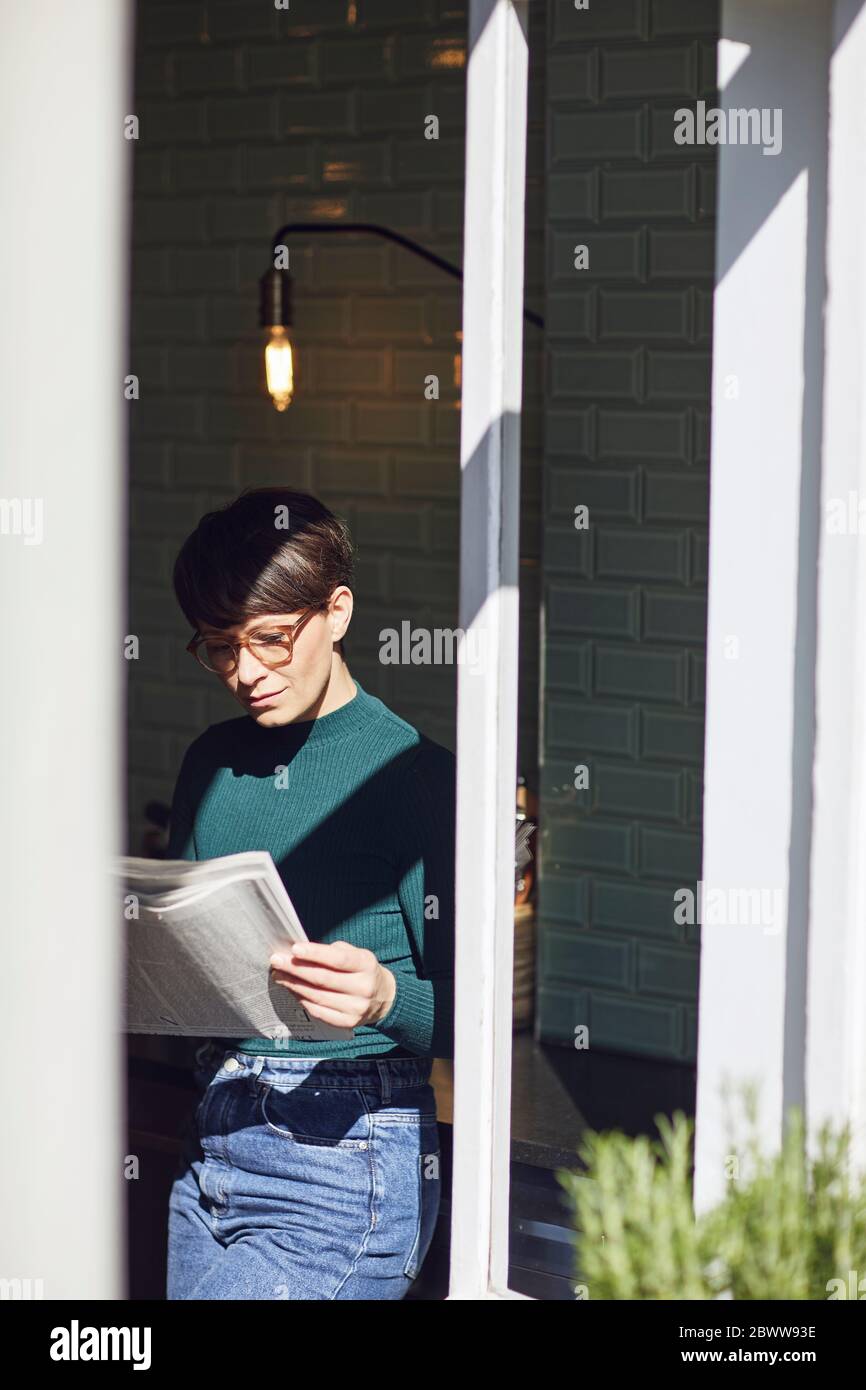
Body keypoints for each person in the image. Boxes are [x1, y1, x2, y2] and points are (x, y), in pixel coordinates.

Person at [163, 487, 456, 1300]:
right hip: (214, 1145)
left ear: (338, 612)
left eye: (271, 640)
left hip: (343, 1159)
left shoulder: (417, 780)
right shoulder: (210, 763)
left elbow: (480, 1015)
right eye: (220, 648)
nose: (245, 672)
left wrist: (388, 995)